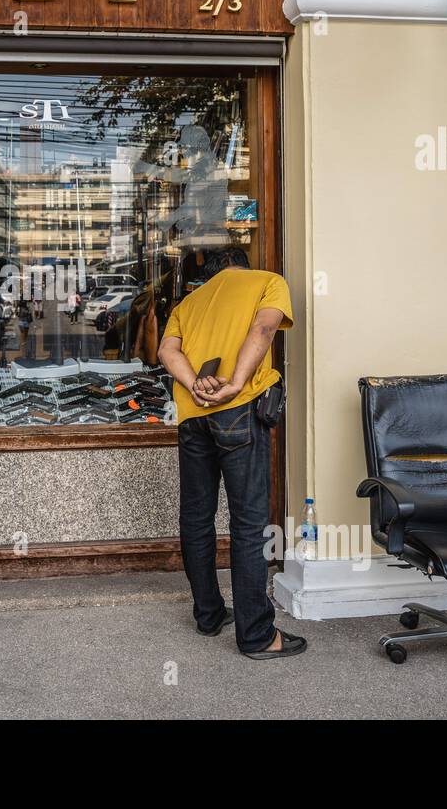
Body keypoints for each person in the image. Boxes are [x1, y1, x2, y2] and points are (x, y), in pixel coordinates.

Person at [158, 247, 305, 660]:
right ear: (243, 264)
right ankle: (257, 635)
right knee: (249, 523)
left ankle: (208, 615)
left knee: (197, 515)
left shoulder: (190, 301)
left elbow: (168, 352)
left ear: (216, 272)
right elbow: (263, 330)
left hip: (193, 415)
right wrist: (236, 384)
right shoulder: (267, 281)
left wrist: (196, 386)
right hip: (239, 411)